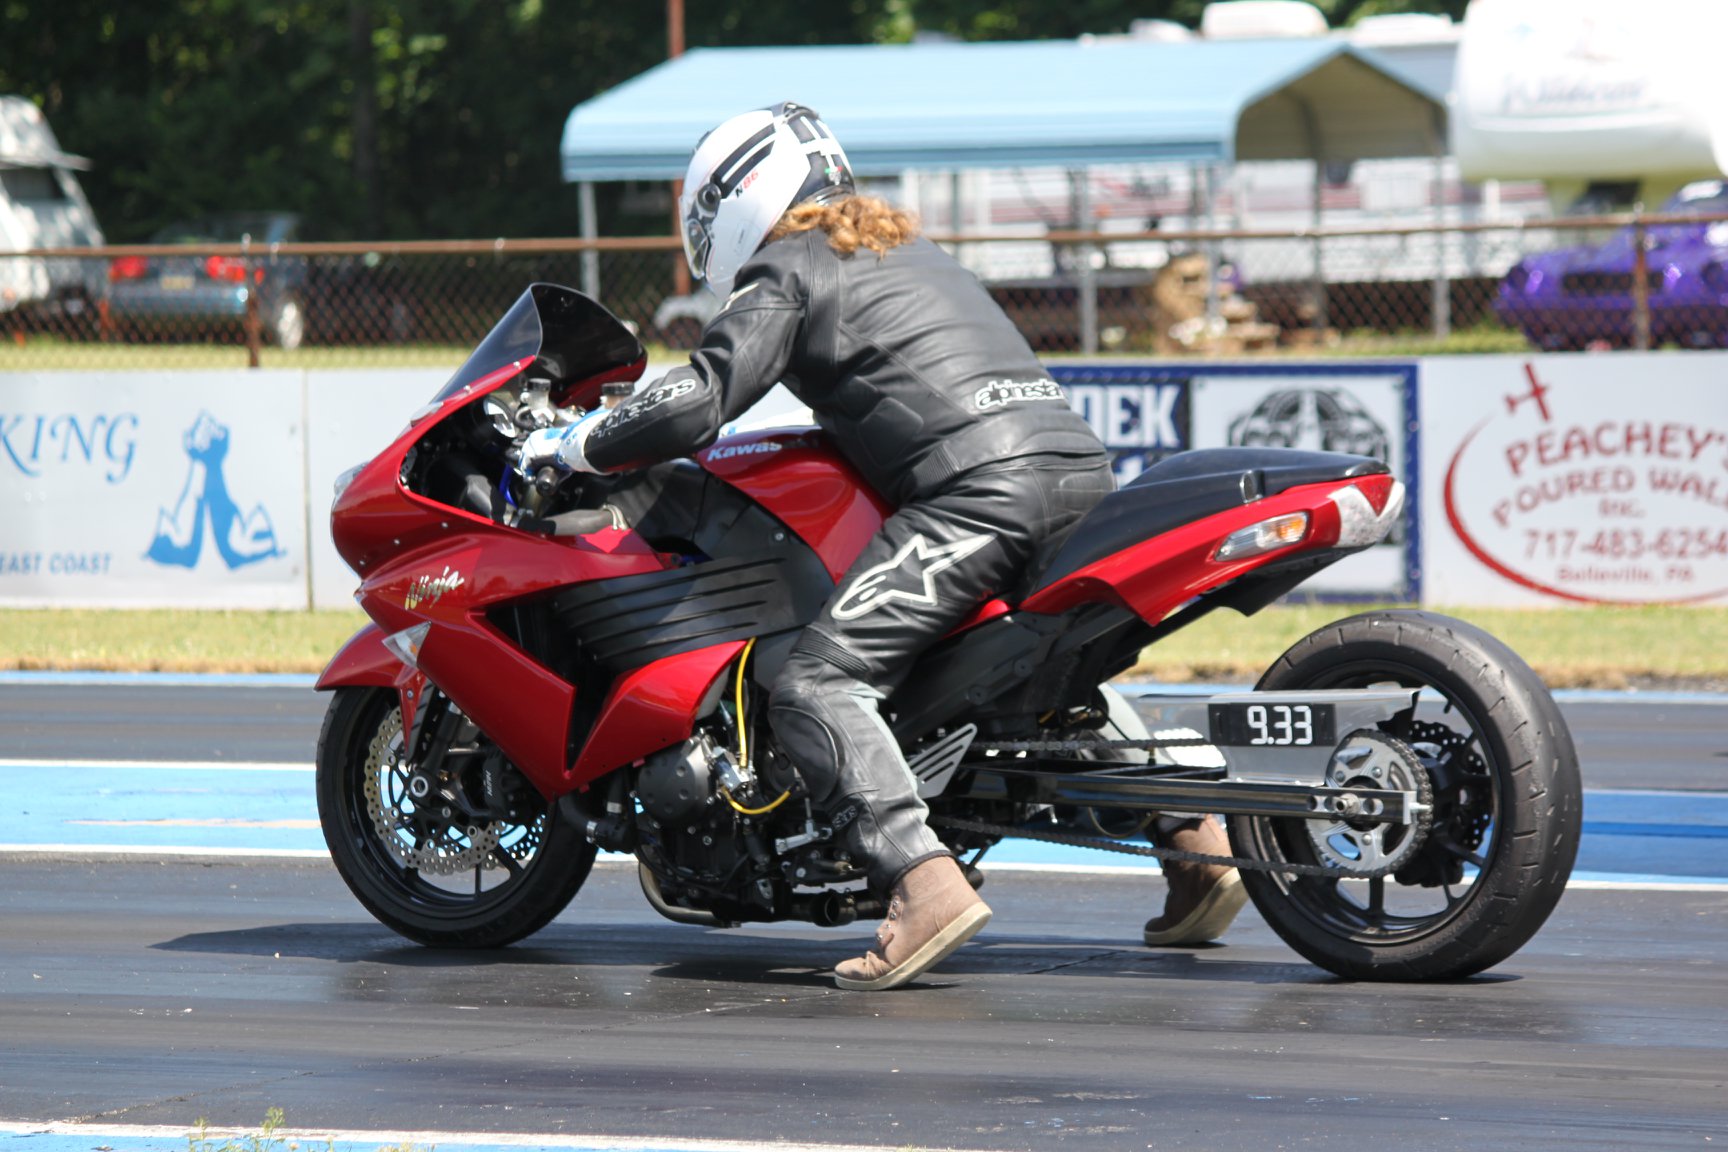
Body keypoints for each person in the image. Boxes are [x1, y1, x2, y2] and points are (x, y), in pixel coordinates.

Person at [521, 101, 1241, 989]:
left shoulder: (790, 265)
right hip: (1075, 474)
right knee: (1042, 673)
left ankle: (920, 880)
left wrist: (577, 443)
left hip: (981, 493)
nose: (704, 235)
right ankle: (1195, 842)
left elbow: (705, 395)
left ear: (743, 196)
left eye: (705, 214)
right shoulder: (904, 250)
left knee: (817, 679)